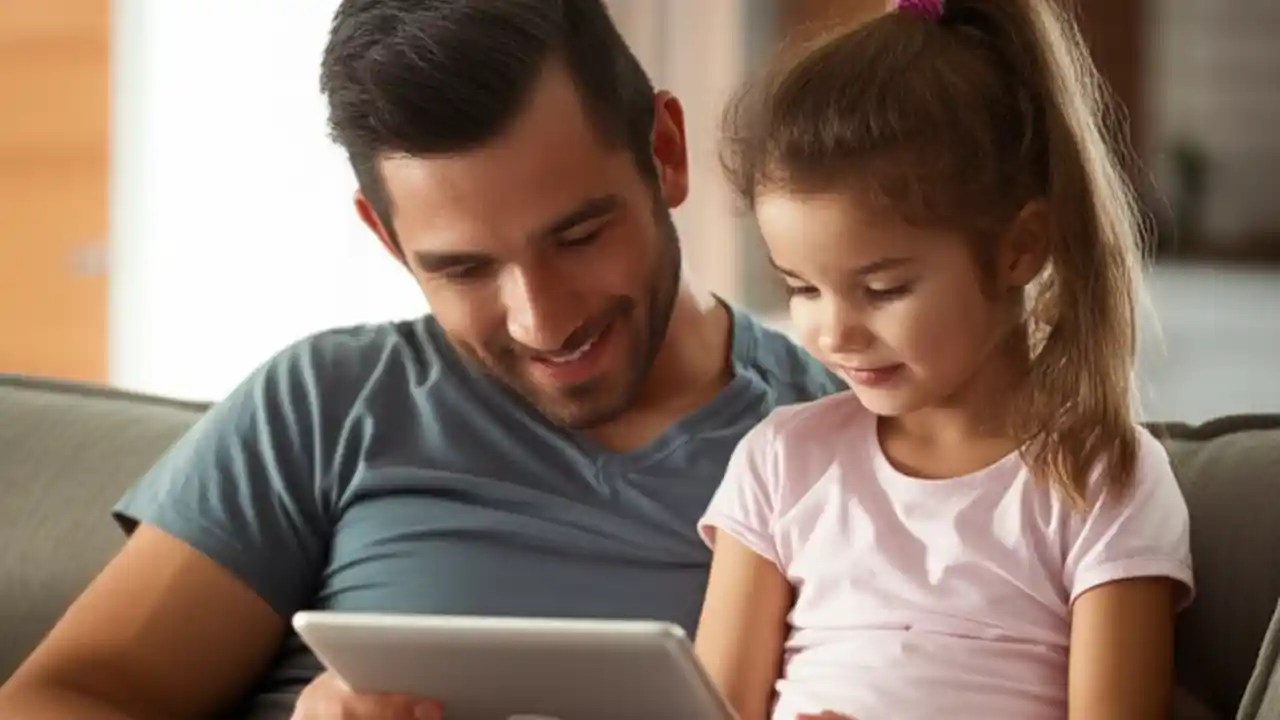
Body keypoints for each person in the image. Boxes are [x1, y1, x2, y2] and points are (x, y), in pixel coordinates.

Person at [0, 1, 840, 718]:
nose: (541, 320)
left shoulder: (848, 445)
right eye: (463, 268)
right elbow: (56, 698)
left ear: (665, 151)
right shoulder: (328, 406)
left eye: (579, 236)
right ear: (386, 236)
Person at [692, 1, 1194, 719]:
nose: (834, 332)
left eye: (883, 289)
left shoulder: (1102, 481)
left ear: (1020, 248)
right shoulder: (780, 464)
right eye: (800, 287)